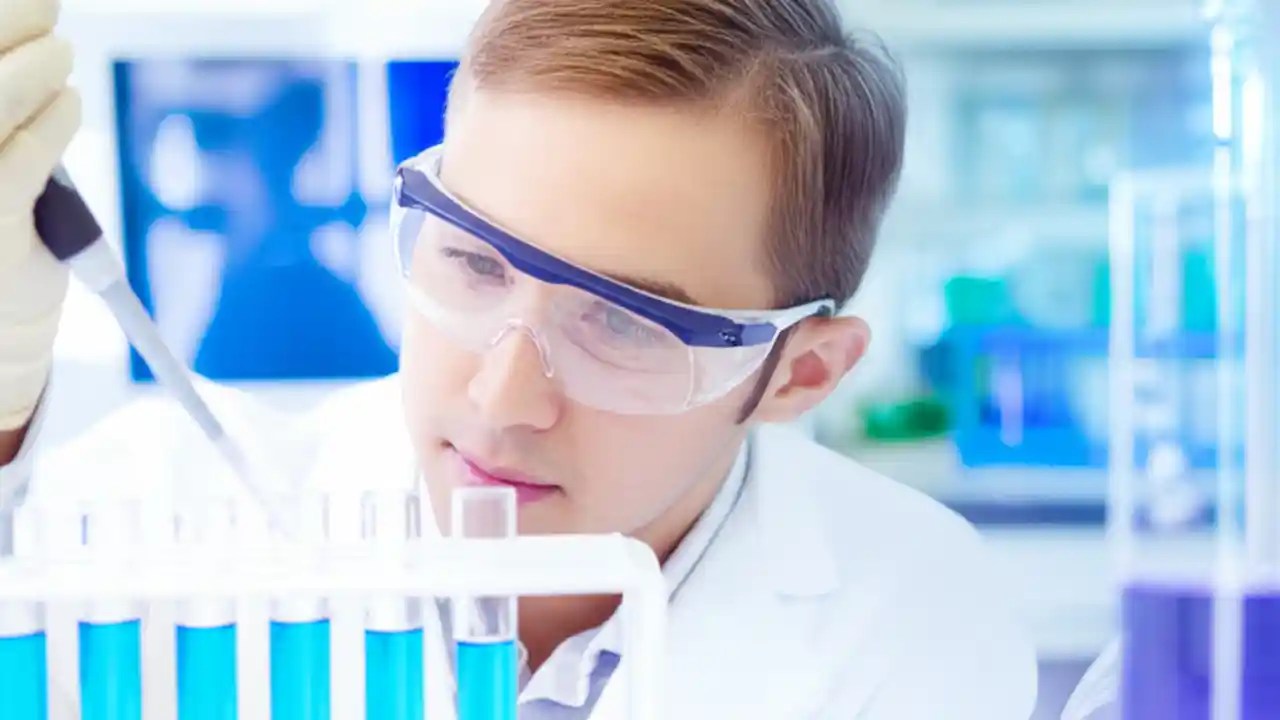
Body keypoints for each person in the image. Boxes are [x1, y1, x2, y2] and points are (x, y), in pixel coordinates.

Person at [0, 0, 1039, 717]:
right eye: (474, 263)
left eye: (626, 324)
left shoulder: (912, 615)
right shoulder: (148, 521)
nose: (502, 399)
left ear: (801, 374)